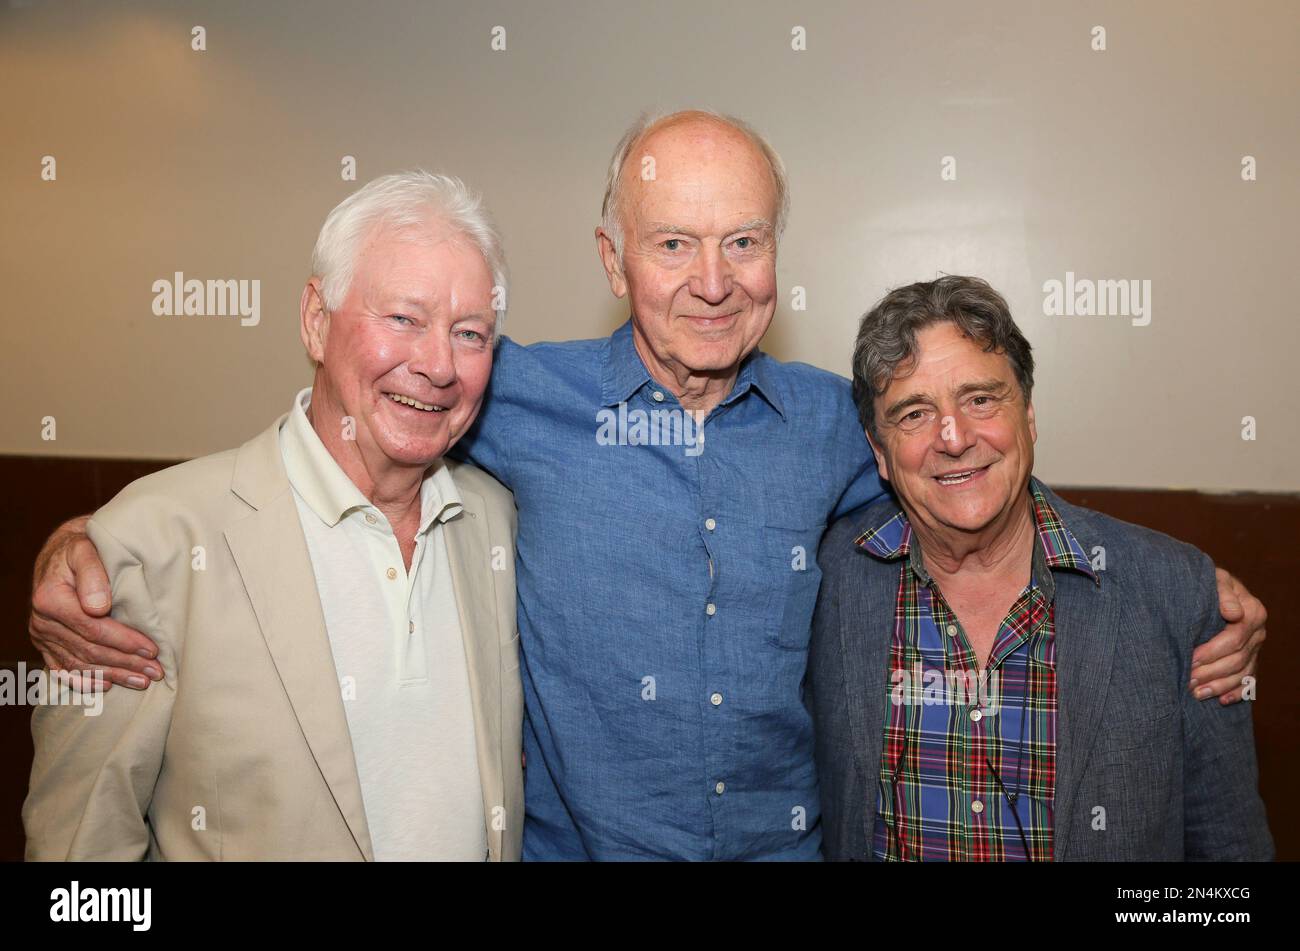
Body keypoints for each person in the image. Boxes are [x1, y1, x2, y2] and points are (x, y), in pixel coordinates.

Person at [27, 112, 1267, 861]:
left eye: (744, 241)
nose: (713, 280)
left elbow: (965, 482)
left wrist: (1167, 585)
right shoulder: (505, 390)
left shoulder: (839, 429)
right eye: (674, 243)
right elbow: (350, 417)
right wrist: (96, 537)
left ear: (780, 251)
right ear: (613, 259)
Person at [24, 172, 524, 860]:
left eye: (470, 333)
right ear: (316, 321)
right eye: (404, 319)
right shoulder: (150, 547)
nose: (439, 365)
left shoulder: (497, 523)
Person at [811, 276, 1272, 860]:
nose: (953, 438)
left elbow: (1230, 852)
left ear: (1028, 417)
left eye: (980, 399)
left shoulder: (1177, 592)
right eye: (914, 414)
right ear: (879, 452)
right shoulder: (822, 582)